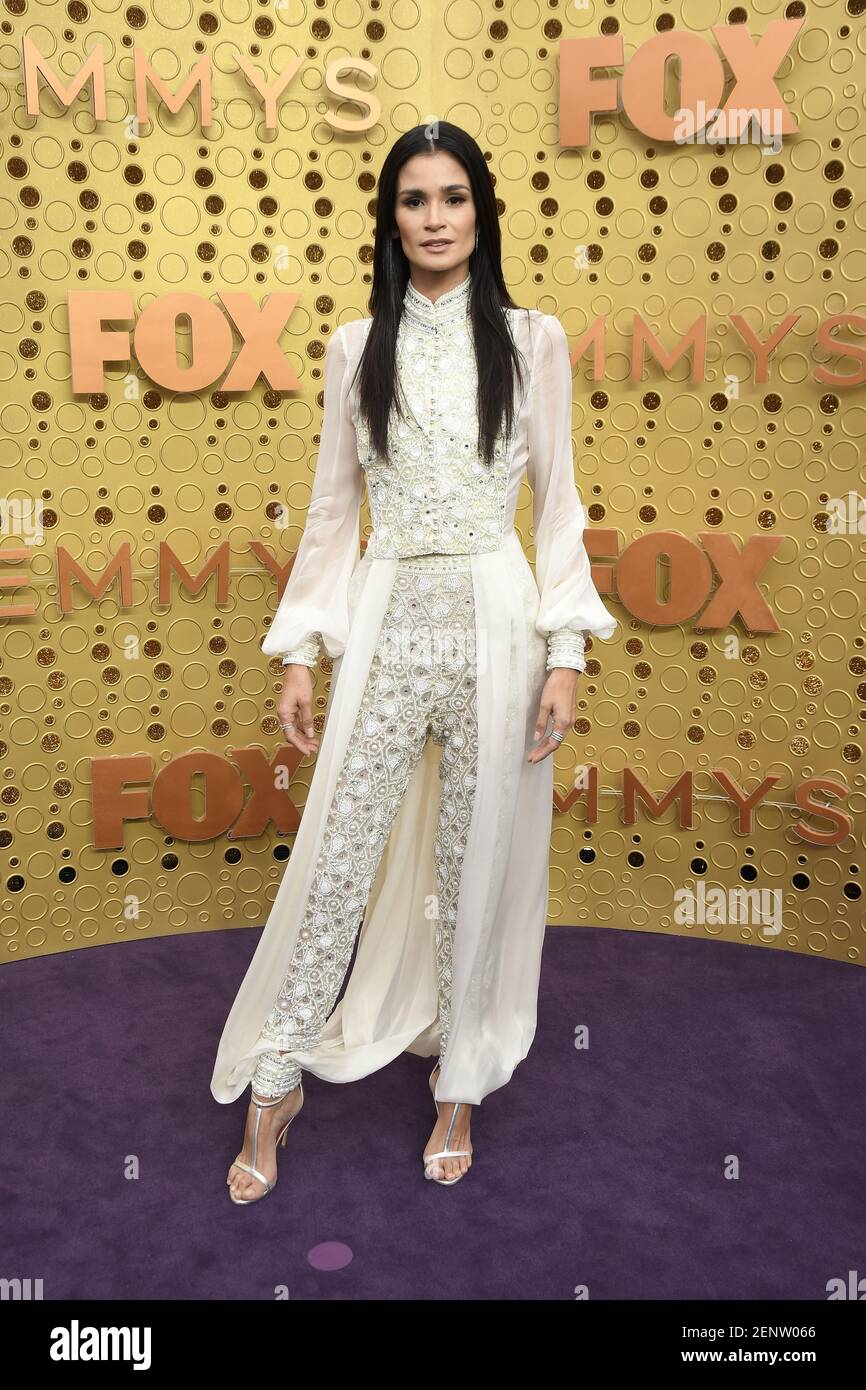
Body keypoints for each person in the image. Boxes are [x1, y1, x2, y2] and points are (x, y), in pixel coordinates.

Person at [213, 121, 618, 1201]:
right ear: (389, 218)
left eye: (451, 198)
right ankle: (274, 1081)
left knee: (471, 857)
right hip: (389, 611)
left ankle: (459, 1077)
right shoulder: (356, 346)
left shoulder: (533, 339)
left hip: (496, 610)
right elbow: (331, 512)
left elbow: (560, 501)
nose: (432, 219)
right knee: (339, 848)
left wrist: (566, 649)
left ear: (480, 211)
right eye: (412, 200)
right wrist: (303, 647)